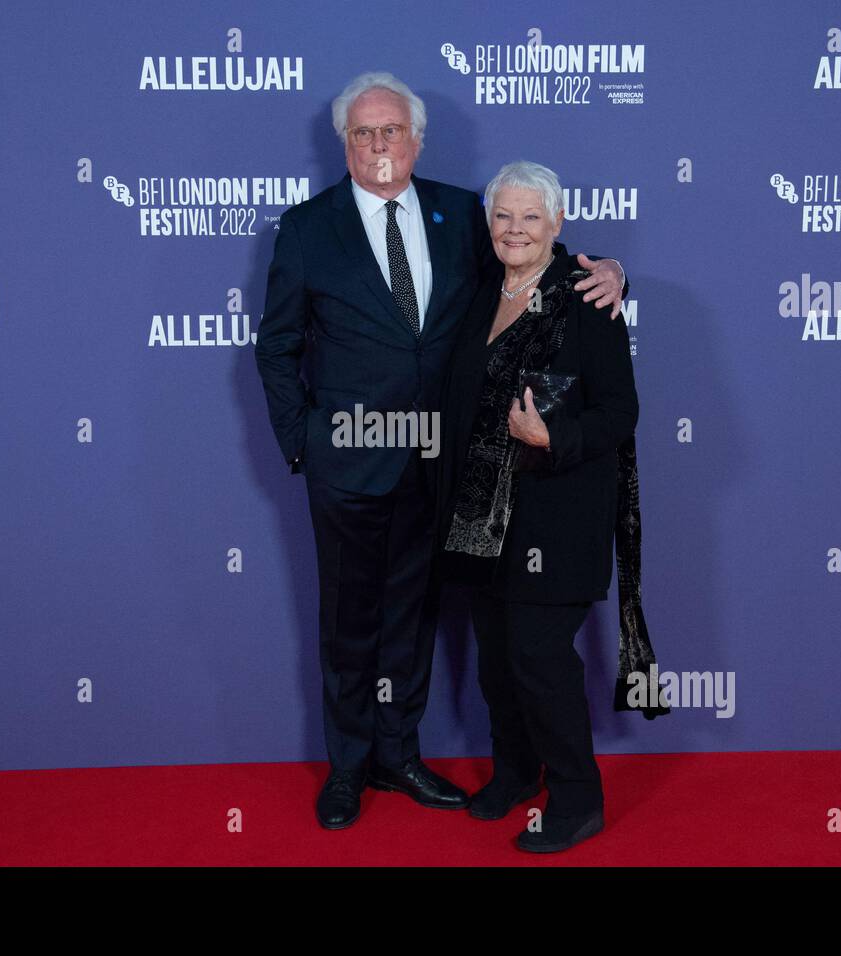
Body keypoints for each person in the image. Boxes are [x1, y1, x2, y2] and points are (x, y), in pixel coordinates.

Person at [255, 73, 628, 830]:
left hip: (442, 469)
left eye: (392, 130)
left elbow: (534, 263)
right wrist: (306, 446)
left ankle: (399, 755)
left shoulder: (463, 213)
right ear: (344, 144)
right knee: (348, 623)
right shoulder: (305, 229)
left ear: (417, 140)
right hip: (350, 465)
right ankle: (349, 766)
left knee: (413, 620)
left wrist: (614, 271)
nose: (380, 144)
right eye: (364, 132)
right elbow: (279, 346)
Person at [435, 160, 639, 853]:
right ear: (488, 225)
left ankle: (579, 799)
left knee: (539, 660)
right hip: (479, 519)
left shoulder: (588, 300)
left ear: (557, 224)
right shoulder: (478, 295)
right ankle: (518, 774)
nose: (515, 229)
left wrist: (556, 435)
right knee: (496, 661)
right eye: (503, 216)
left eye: (531, 217)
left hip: (555, 520)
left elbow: (621, 410)